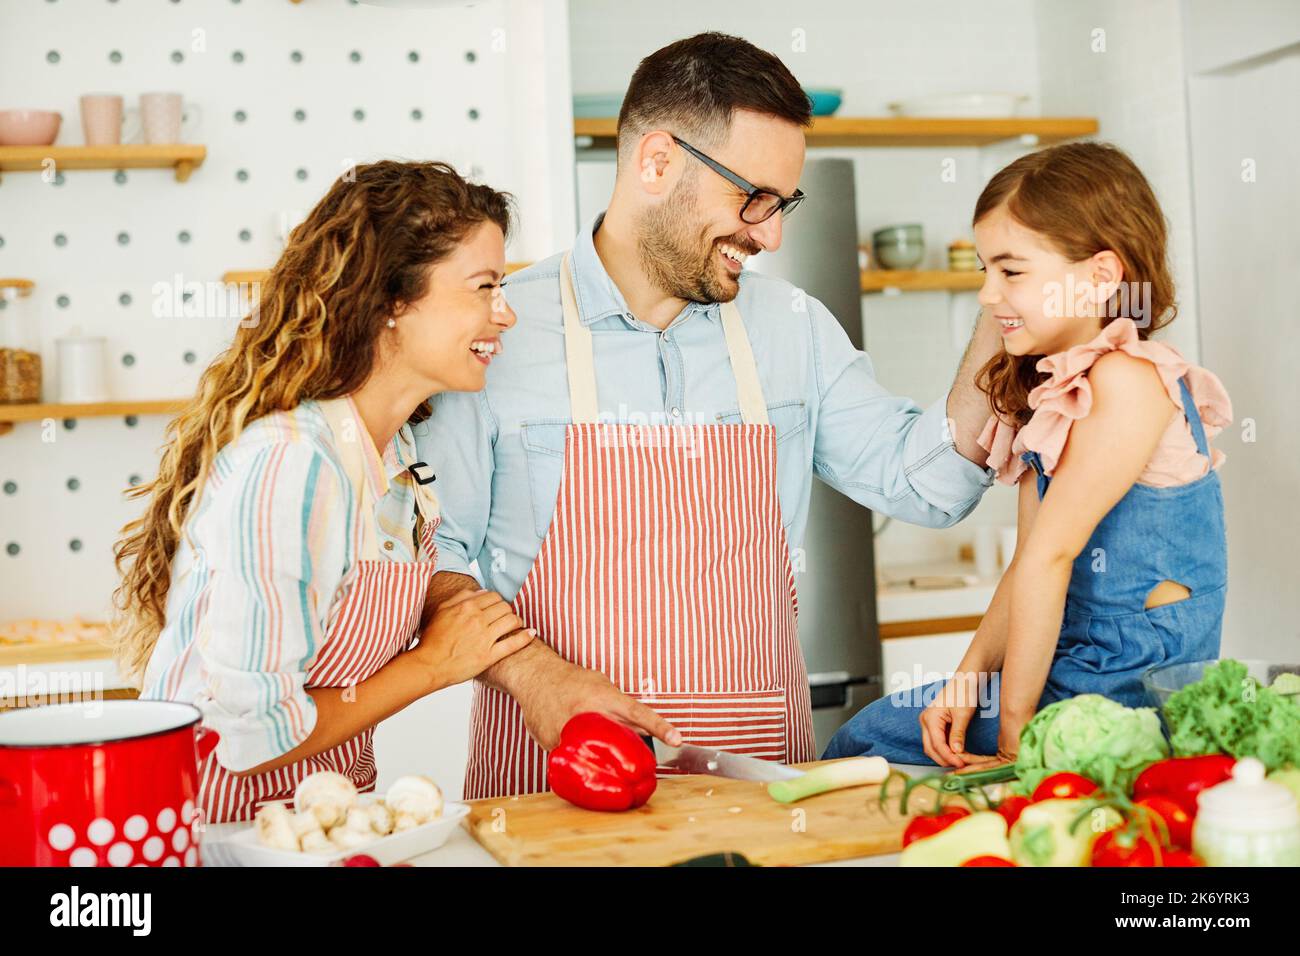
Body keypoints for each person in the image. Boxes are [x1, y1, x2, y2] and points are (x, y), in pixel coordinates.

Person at [418, 32, 1001, 799]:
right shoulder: (497, 332)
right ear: (656, 162)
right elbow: (432, 562)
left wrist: (1008, 306)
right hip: (552, 784)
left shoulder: (792, 327)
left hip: (765, 787)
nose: (770, 234)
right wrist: (534, 675)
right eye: (752, 197)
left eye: (784, 203)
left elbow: (929, 485)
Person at [111, 161, 534, 822]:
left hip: (318, 821)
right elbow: (254, 737)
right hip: (216, 833)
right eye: (485, 287)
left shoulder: (396, 457)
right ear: (394, 298)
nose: (504, 314)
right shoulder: (292, 465)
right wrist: (435, 665)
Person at [824, 142, 1232, 768]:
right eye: (985, 270)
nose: (989, 294)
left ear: (1101, 275)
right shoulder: (1056, 390)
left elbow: (1052, 559)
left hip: (1129, 687)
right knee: (873, 735)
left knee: (866, 740)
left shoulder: (1128, 380)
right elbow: (1027, 567)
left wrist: (1019, 748)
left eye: (1011, 271)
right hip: (1073, 663)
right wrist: (967, 680)